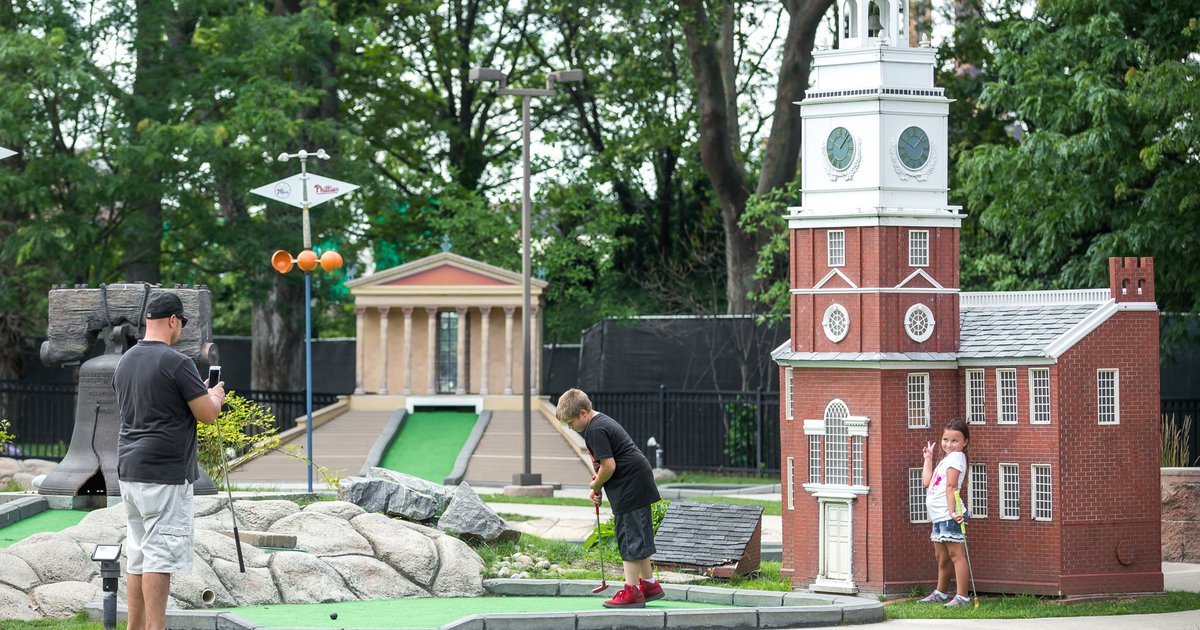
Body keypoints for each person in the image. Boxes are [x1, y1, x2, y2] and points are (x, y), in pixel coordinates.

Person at [113, 292, 225, 630]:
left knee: (138, 555)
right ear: (173, 321)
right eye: (182, 323)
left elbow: (159, 402)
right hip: (164, 474)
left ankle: (136, 627)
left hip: (130, 470)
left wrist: (198, 391)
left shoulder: (126, 360)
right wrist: (215, 396)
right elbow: (206, 415)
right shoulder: (177, 362)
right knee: (159, 558)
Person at [557, 388, 663, 608]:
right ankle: (650, 585)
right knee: (638, 534)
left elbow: (609, 465)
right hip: (637, 480)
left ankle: (631, 591)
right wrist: (599, 485)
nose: (570, 427)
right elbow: (607, 464)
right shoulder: (599, 423)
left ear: (583, 413)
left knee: (629, 536)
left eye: (570, 422)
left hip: (630, 485)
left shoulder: (595, 430)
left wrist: (596, 484)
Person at [918, 418, 972, 607]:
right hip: (939, 516)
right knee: (942, 557)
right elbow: (927, 482)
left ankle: (962, 597)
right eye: (946, 439)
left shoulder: (957, 457)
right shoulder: (947, 459)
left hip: (949, 515)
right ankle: (940, 593)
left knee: (957, 555)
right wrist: (928, 459)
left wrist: (952, 512)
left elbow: (951, 486)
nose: (949, 444)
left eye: (954, 440)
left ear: (965, 442)